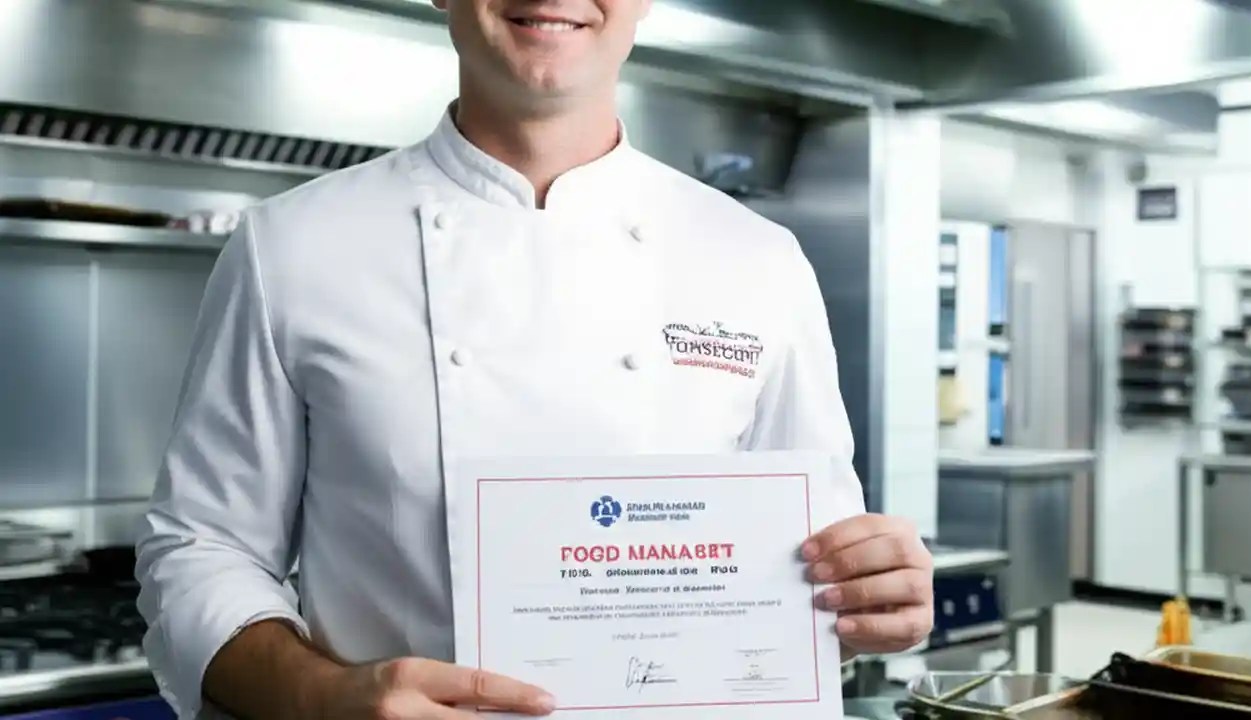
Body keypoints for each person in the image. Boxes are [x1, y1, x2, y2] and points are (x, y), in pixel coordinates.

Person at [135, 0, 935, 718]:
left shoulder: (759, 258)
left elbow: (813, 582)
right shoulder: (294, 246)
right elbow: (203, 551)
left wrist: (871, 601)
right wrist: (323, 697)